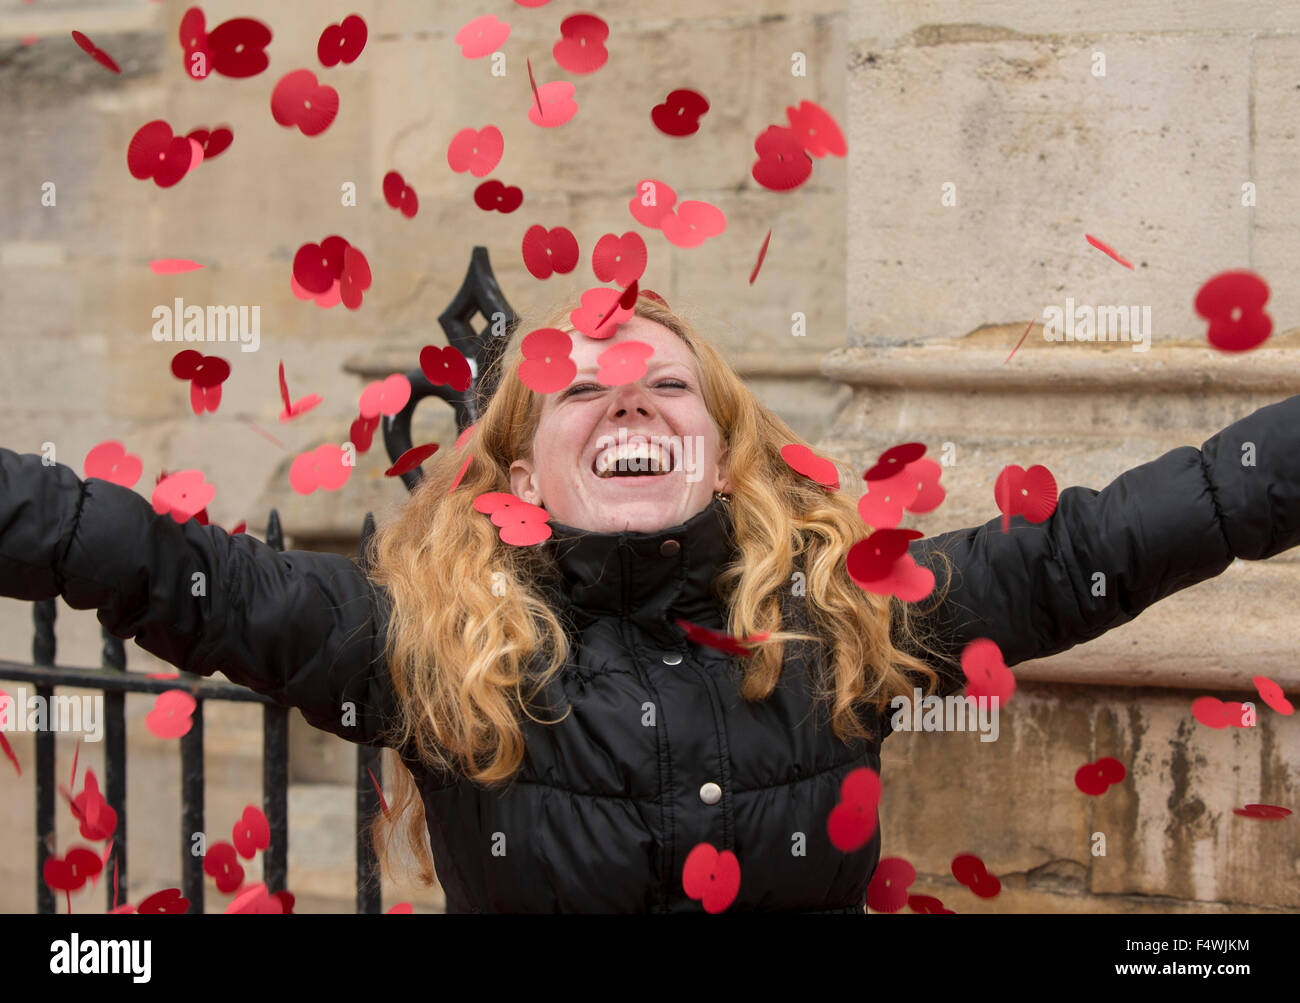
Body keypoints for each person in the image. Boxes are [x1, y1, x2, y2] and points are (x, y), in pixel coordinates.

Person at [1, 292, 1296, 913]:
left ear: (722, 453)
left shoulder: (850, 624)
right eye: (581, 389)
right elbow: (162, 565)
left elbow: (1115, 538)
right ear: (520, 473)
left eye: (665, 387)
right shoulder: (433, 658)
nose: (627, 401)